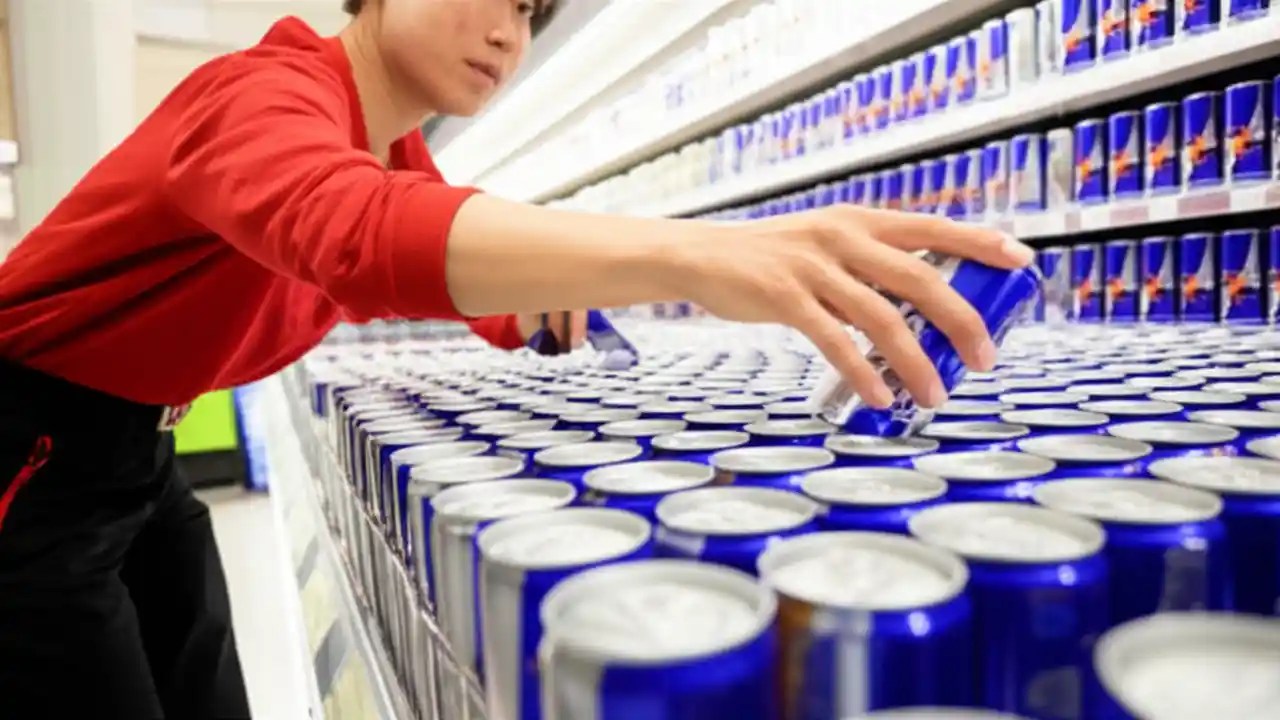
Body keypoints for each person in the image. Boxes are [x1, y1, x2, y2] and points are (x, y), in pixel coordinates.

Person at [0, 0, 1034, 716]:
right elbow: (354, 234)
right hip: (30, 448)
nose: (509, 31)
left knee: (204, 686)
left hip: (135, 453)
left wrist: (551, 311)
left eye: (532, 10)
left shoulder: (390, 154)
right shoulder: (259, 95)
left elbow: (439, 259)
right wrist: (696, 252)